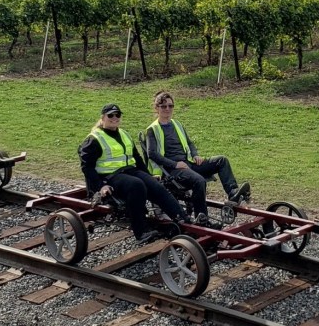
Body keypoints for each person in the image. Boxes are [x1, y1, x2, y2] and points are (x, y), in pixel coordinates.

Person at [78, 103, 189, 245]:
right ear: (103, 117)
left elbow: (137, 158)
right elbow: (87, 167)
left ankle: (183, 220)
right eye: (110, 115)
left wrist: (148, 175)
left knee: (155, 185)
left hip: (129, 170)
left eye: (117, 115)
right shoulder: (94, 138)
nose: (114, 118)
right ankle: (141, 232)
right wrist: (100, 187)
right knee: (136, 185)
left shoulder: (124, 134)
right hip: (109, 176)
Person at [142, 90, 250, 226]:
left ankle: (233, 193)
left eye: (170, 106)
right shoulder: (152, 129)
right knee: (199, 181)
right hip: (172, 170)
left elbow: (190, 143)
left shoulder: (177, 124)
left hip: (189, 163)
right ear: (157, 108)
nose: (167, 109)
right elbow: (152, 154)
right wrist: (175, 164)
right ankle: (202, 218)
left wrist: (195, 155)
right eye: (163, 106)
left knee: (221, 160)